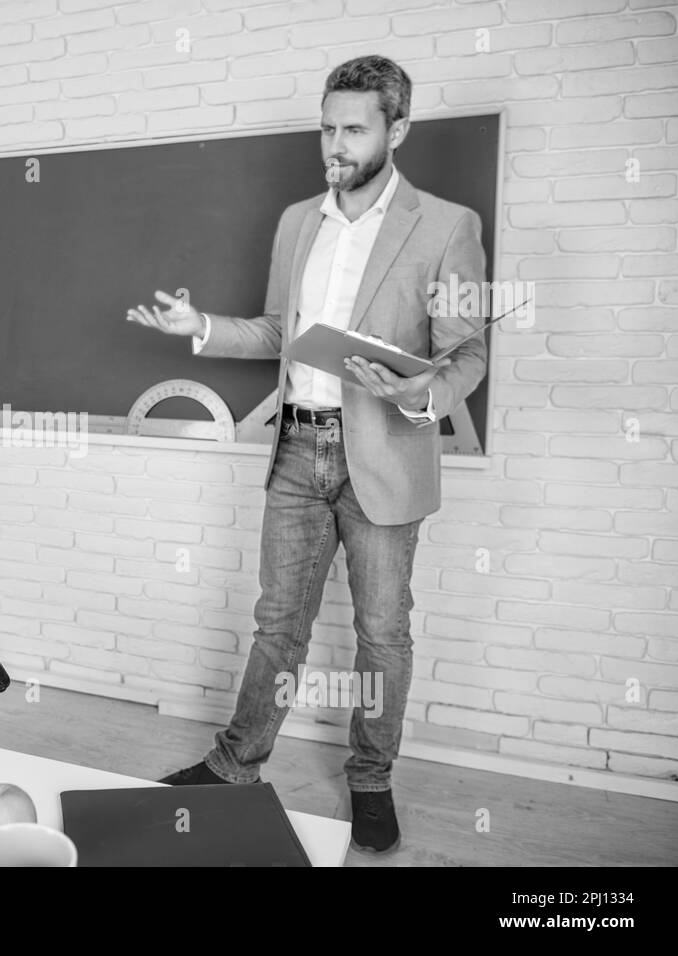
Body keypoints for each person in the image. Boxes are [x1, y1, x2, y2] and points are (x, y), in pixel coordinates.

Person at [126, 55, 488, 854]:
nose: (335, 143)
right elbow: (276, 335)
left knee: (383, 632)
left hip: (387, 455)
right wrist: (199, 326)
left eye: (353, 128)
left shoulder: (446, 226)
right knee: (276, 624)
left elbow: (467, 354)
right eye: (327, 126)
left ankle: (371, 779)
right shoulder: (298, 222)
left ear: (398, 130)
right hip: (299, 448)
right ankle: (234, 767)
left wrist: (412, 395)